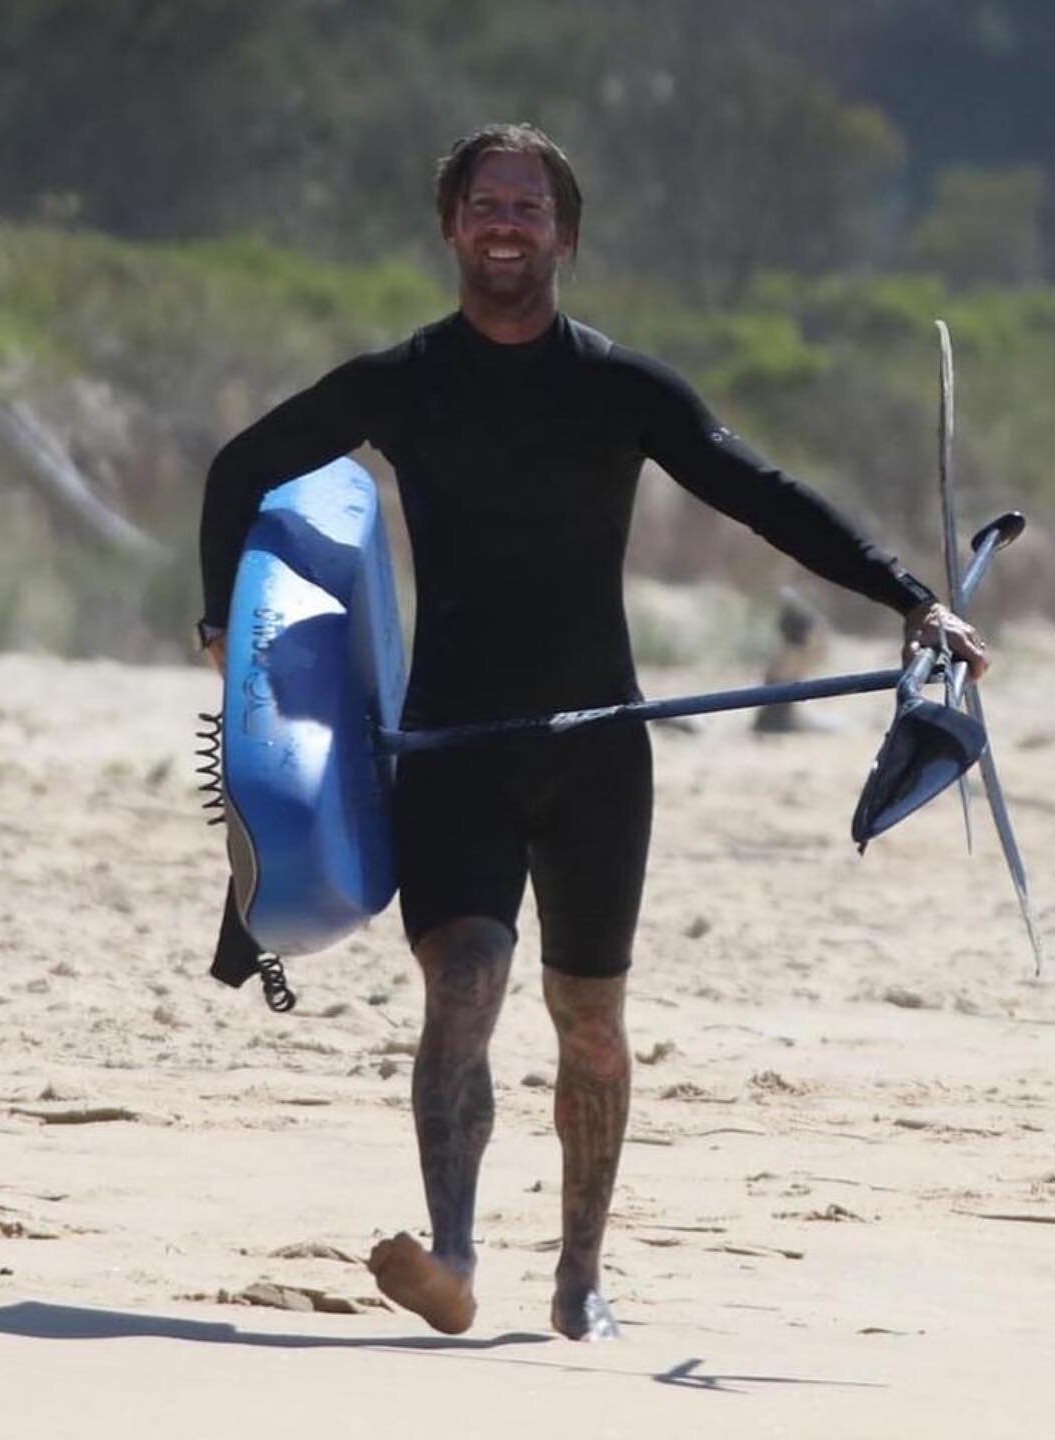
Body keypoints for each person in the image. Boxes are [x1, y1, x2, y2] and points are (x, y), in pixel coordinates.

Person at [197, 123, 988, 1341]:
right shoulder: (400, 383)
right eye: (484, 204)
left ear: (565, 234)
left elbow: (759, 493)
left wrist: (909, 598)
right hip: (454, 740)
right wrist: (221, 622)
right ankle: (454, 1255)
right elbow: (245, 466)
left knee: (589, 1016)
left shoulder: (622, 388)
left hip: (598, 748)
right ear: (451, 228)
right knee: (461, 987)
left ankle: (579, 1275)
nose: (505, 224)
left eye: (527, 205)